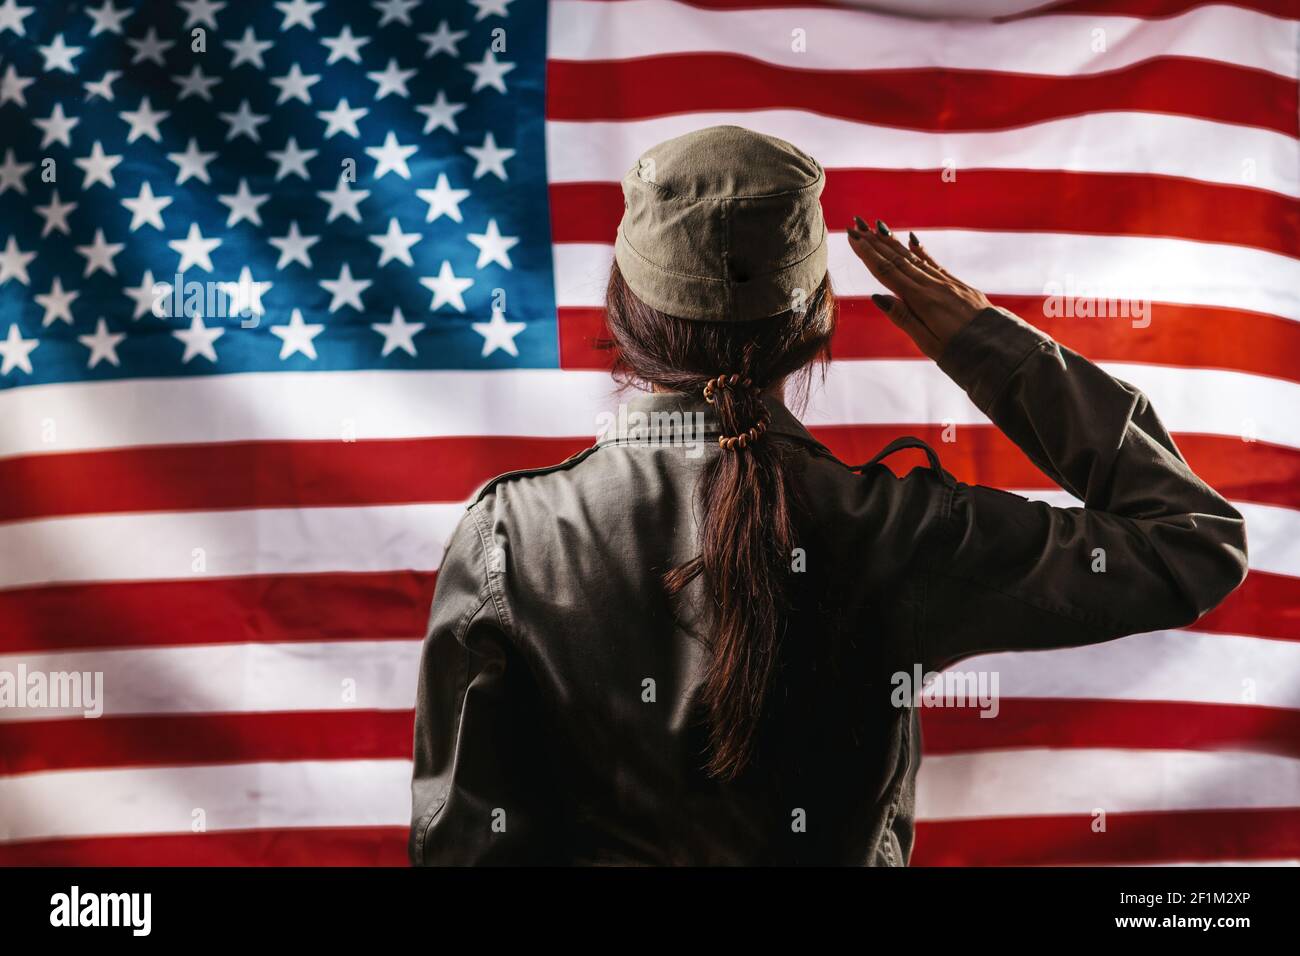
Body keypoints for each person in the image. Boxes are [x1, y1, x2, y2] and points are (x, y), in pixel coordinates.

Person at [408, 126, 1247, 865]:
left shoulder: (507, 537)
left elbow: (461, 849)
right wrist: (988, 346)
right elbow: (1192, 542)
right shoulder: (901, 532)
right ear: (813, 326)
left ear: (625, 313)